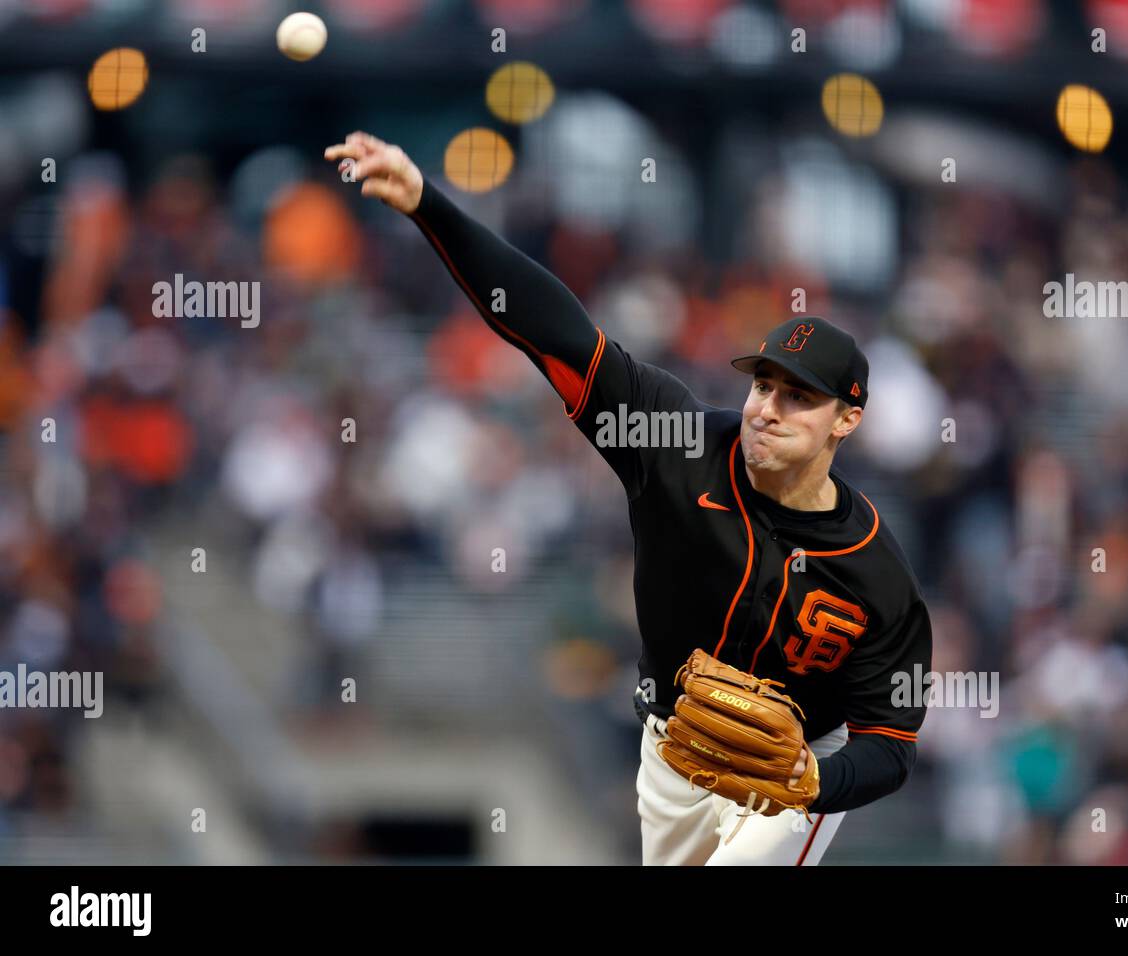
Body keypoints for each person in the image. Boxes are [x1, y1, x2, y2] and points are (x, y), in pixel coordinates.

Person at [324, 132, 933, 865]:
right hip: (671, 747)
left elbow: (891, 744)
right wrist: (430, 206)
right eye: (763, 384)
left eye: (798, 396)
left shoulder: (876, 572)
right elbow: (554, 330)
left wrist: (816, 779)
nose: (768, 408)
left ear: (846, 420)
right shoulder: (673, 444)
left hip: (796, 766)